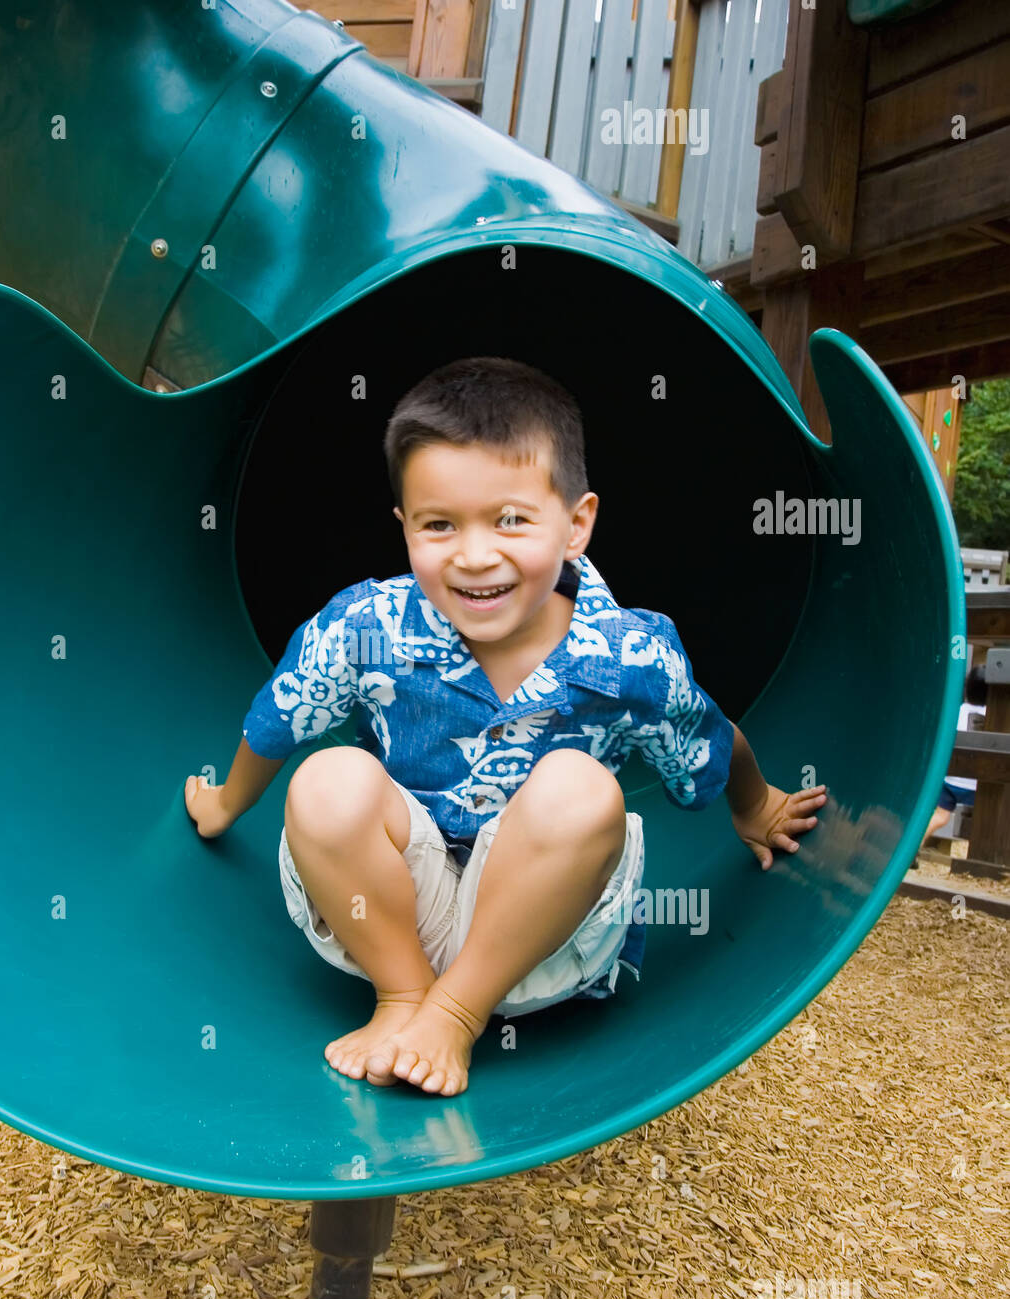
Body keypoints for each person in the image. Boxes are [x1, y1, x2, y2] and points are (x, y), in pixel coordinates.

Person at [183, 357, 826, 1096]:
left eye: (512, 520)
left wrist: (757, 805)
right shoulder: (367, 625)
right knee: (326, 778)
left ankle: (456, 1012)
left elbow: (707, 735)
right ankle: (403, 998)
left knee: (579, 789)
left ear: (576, 524)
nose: (475, 554)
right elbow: (284, 713)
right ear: (404, 528)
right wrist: (225, 802)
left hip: (542, 941)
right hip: (391, 918)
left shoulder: (627, 654)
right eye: (439, 525)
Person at [923, 665, 988, 845]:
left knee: (940, 816)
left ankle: (914, 848)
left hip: (950, 781)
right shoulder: (990, 715)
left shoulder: (957, 711)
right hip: (975, 786)